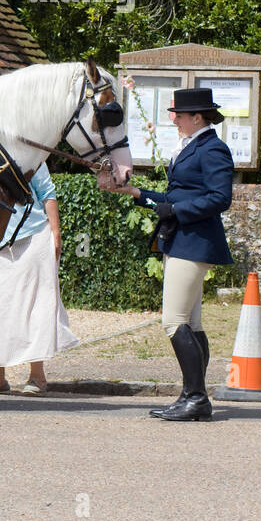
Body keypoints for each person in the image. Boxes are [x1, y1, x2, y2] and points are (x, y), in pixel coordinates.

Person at [99, 87, 233, 422]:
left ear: (197, 117)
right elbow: (174, 196)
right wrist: (136, 192)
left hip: (194, 242)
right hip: (182, 239)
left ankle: (197, 397)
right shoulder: (192, 146)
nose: (174, 119)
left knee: (173, 322)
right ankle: (192, 396)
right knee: (192, 322)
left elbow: (220, 198)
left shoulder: (213, 148)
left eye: (179, 115)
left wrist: (176, 209)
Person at [0, 162, 79, 396]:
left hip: (33, 237)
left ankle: (37, 377)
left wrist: (55, 233)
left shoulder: (32, 155)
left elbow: (47, 193)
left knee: (36, 306)